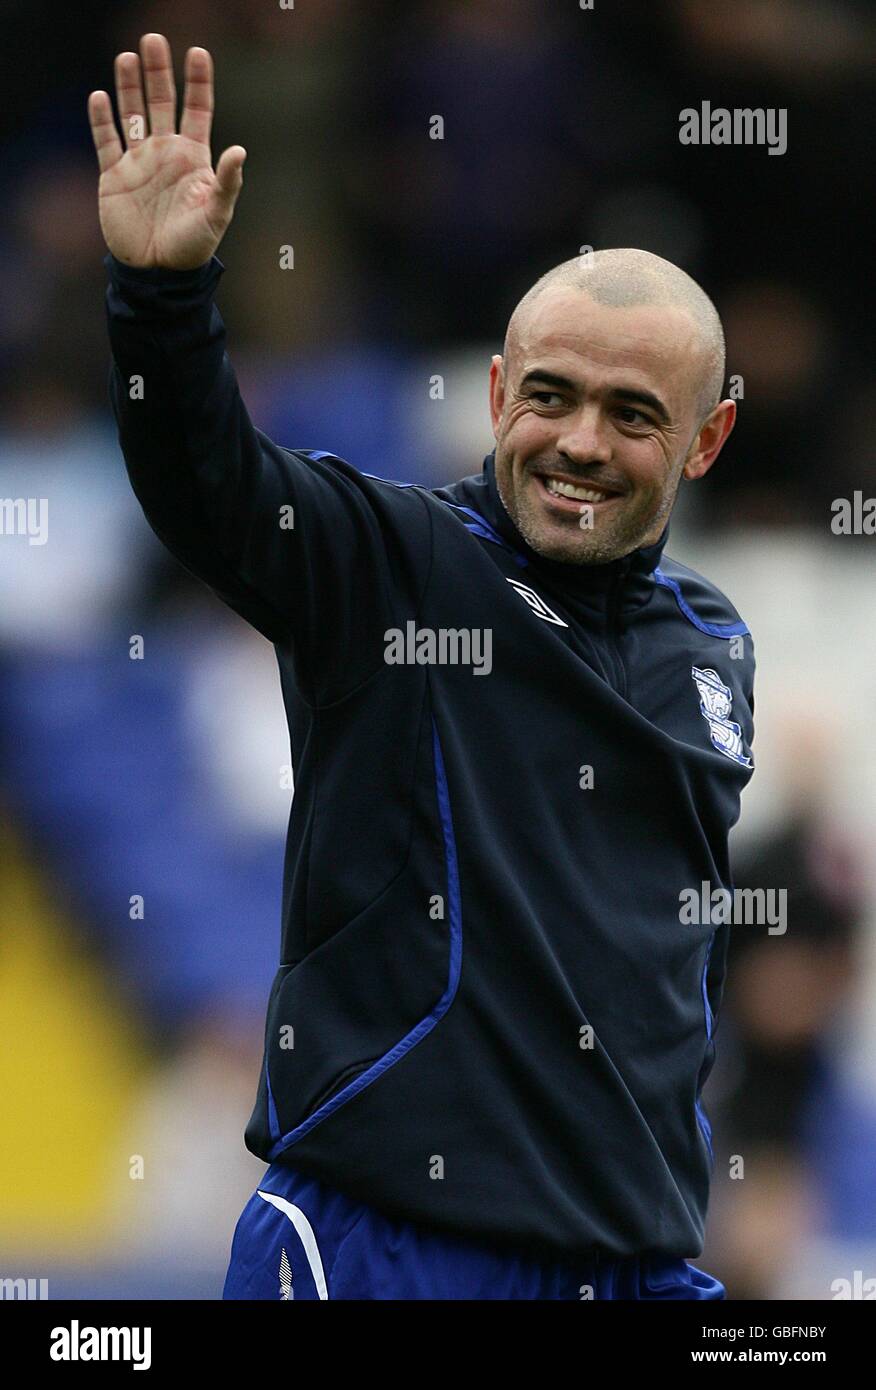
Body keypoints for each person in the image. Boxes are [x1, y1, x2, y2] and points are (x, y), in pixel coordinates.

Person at [89, 33, 754, 1300]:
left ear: (709, 438)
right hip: (388, 1246)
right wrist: (161, 300)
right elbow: (208, 484)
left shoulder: (712, 643)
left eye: (632, 413)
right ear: (498, 389)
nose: (578, 442)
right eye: (549, 395)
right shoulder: (391, 564)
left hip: (637, 1264)